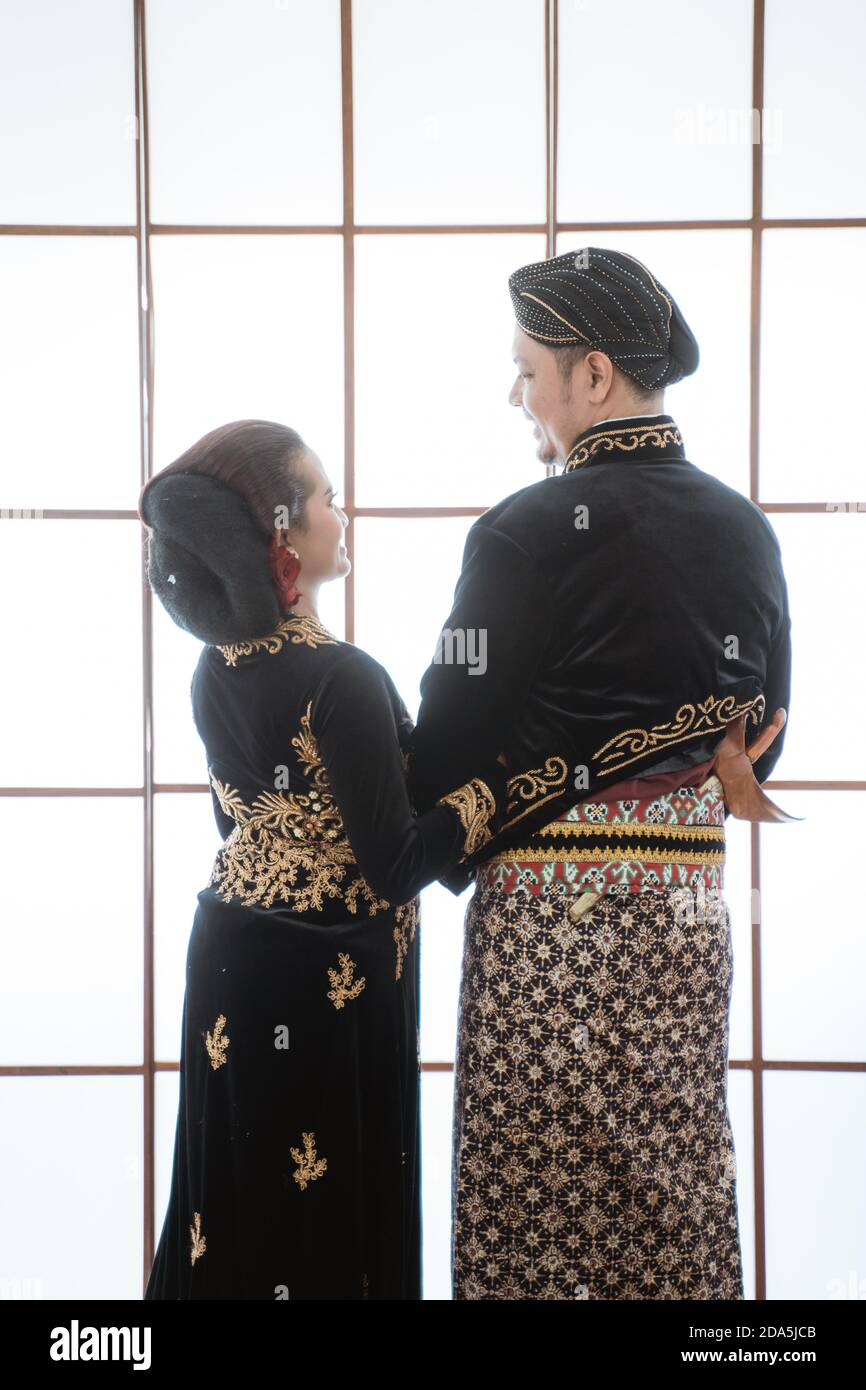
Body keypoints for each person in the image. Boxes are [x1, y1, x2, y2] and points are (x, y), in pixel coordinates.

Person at [406, 247, 794, 1300]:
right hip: (680, 911)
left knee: (534, 1215)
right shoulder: (744, 529)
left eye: (526, 367)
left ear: (590, 375)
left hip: (548, 927)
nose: (514, 391)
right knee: (670, 1199)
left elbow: (439, 748)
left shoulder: (522, 532)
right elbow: (763, 738)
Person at [138, 420, 509, 1300]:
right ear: (283, 533)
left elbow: (241, 825)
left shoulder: (212, 670)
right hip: (329, 971)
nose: (343, 515)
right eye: (328, 499)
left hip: (231, 958)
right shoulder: (341, 678)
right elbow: (394, 864)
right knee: (326, 1212)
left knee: (231, 1200)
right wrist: (493, 794)